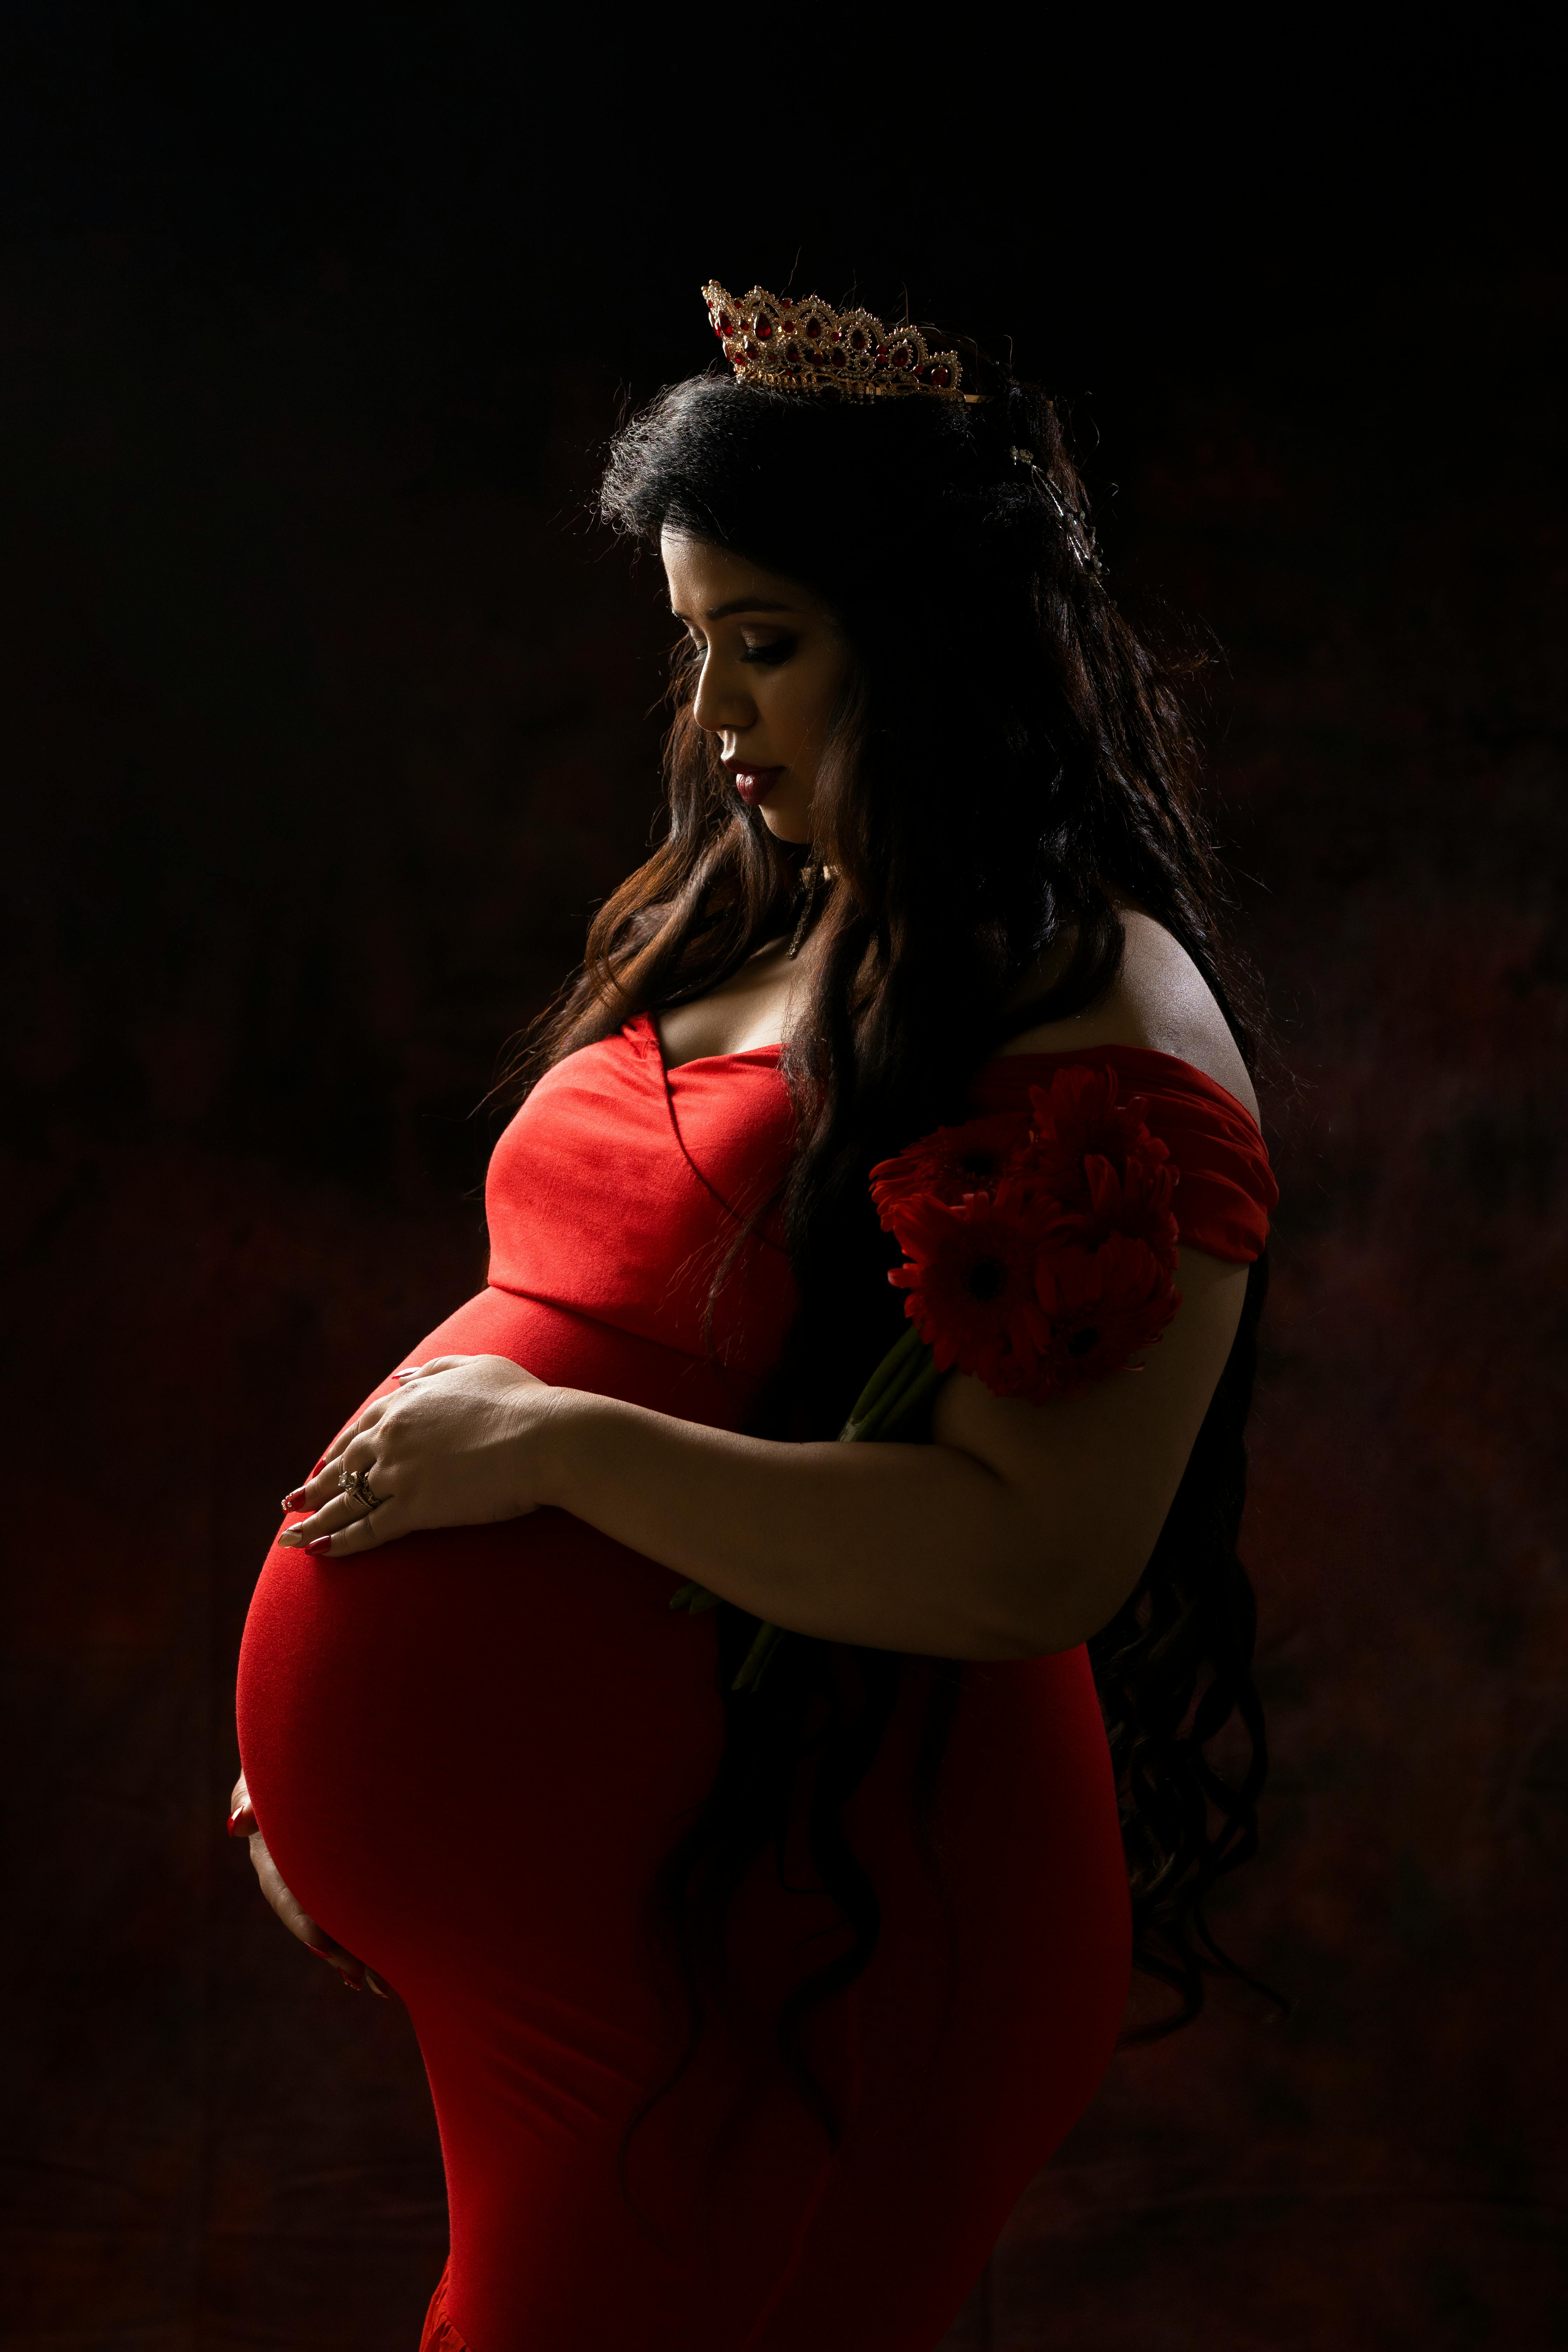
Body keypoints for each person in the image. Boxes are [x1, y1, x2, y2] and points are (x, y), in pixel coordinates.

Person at [230, 281, 1280, 2352]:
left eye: (770, 645)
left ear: (934, 643)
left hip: (819, 1929)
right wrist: (343, 1791)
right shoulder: (783, 921)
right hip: (640, 1928)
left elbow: (1032, 1555)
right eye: (693, 642)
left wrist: (546, 1451)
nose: (717, 712)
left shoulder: (1098, 1019)